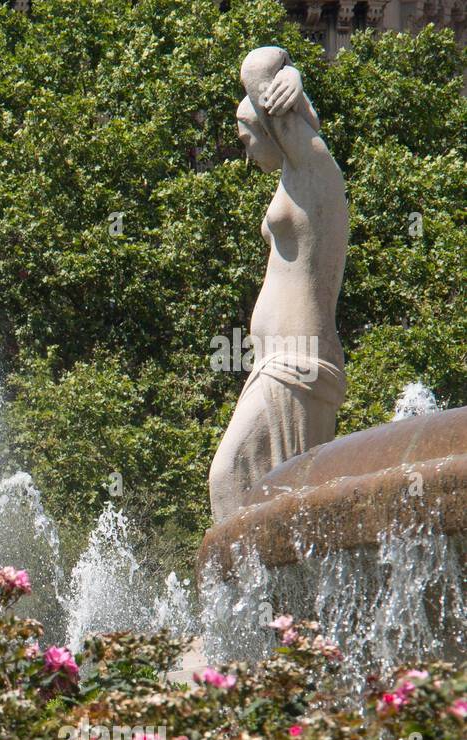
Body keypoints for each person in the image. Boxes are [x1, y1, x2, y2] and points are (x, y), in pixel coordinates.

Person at [208, 47, 348, 524]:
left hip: (299, 359)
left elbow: (255, 65)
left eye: (247, 138)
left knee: (229, 476)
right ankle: (276, 597)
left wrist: (293, 74)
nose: (247, 153)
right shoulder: (294, 180)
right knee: (284, 498)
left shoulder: (313, 171)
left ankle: (257, 600)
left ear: (272, 124)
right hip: (278, 362)